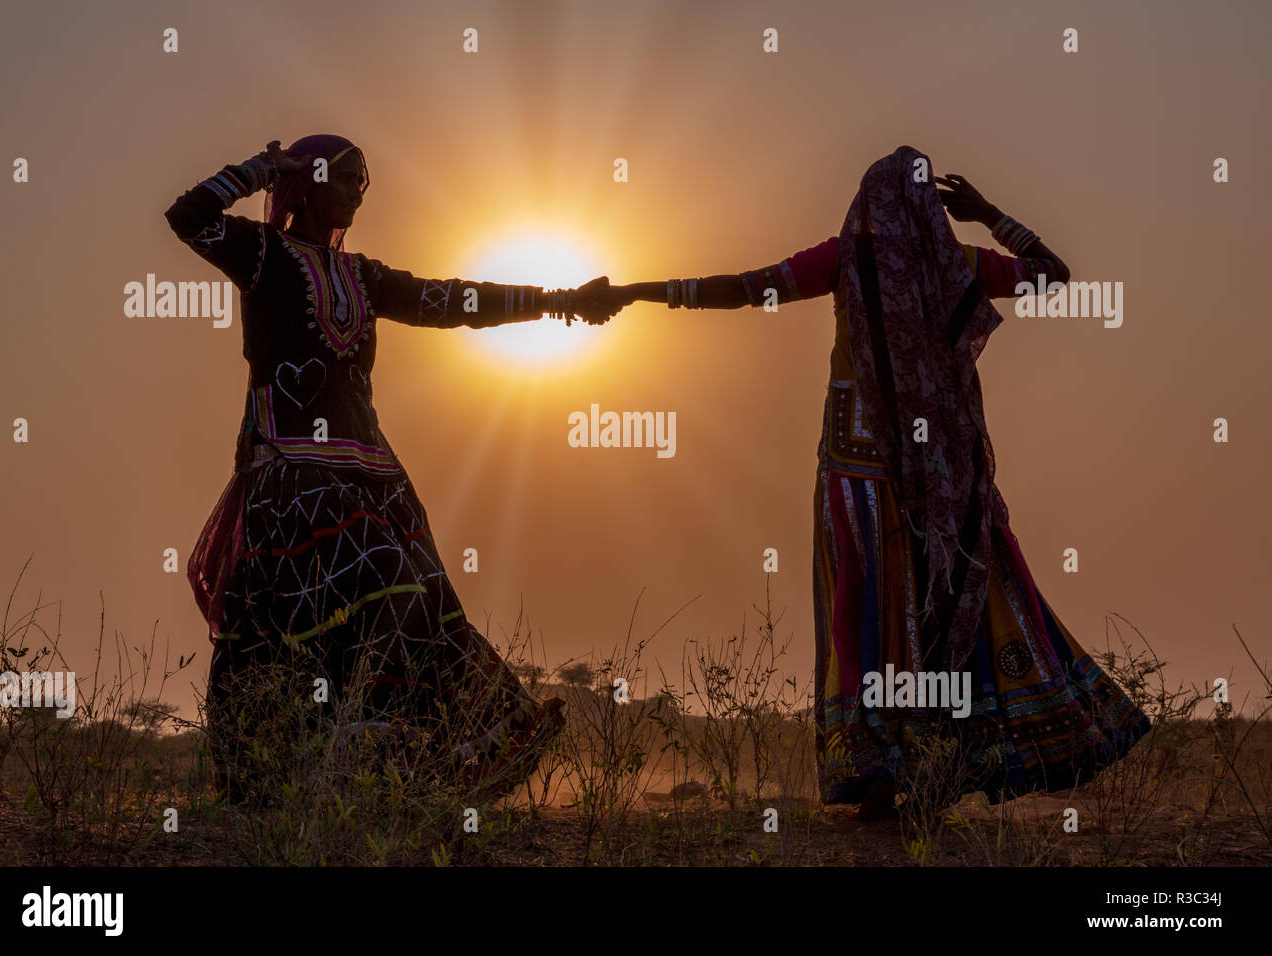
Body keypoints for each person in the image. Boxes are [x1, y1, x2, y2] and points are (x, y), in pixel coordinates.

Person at [604, 146, 1151, 819]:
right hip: (945, 479)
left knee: (866, 610)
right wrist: (990, 216)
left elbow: (746, 287)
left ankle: (882, 771)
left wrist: (637, 292)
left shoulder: (844, 260)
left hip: (856, 464)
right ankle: (937, 765)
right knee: (947, 599)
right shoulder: (962, 266)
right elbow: (1053, 275)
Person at [166, 135, 610, 801]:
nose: (357, 194)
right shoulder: (261, 257)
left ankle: (418, 763)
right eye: (344, 180)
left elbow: (452, 301)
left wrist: (557, 303)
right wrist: (258, 171)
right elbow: (187, 217)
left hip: (374, 476)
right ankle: (333, 768)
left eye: (363, 184)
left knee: (422, 602)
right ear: (308, 182)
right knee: (334, 611)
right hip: (294, 478)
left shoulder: (364, 278)